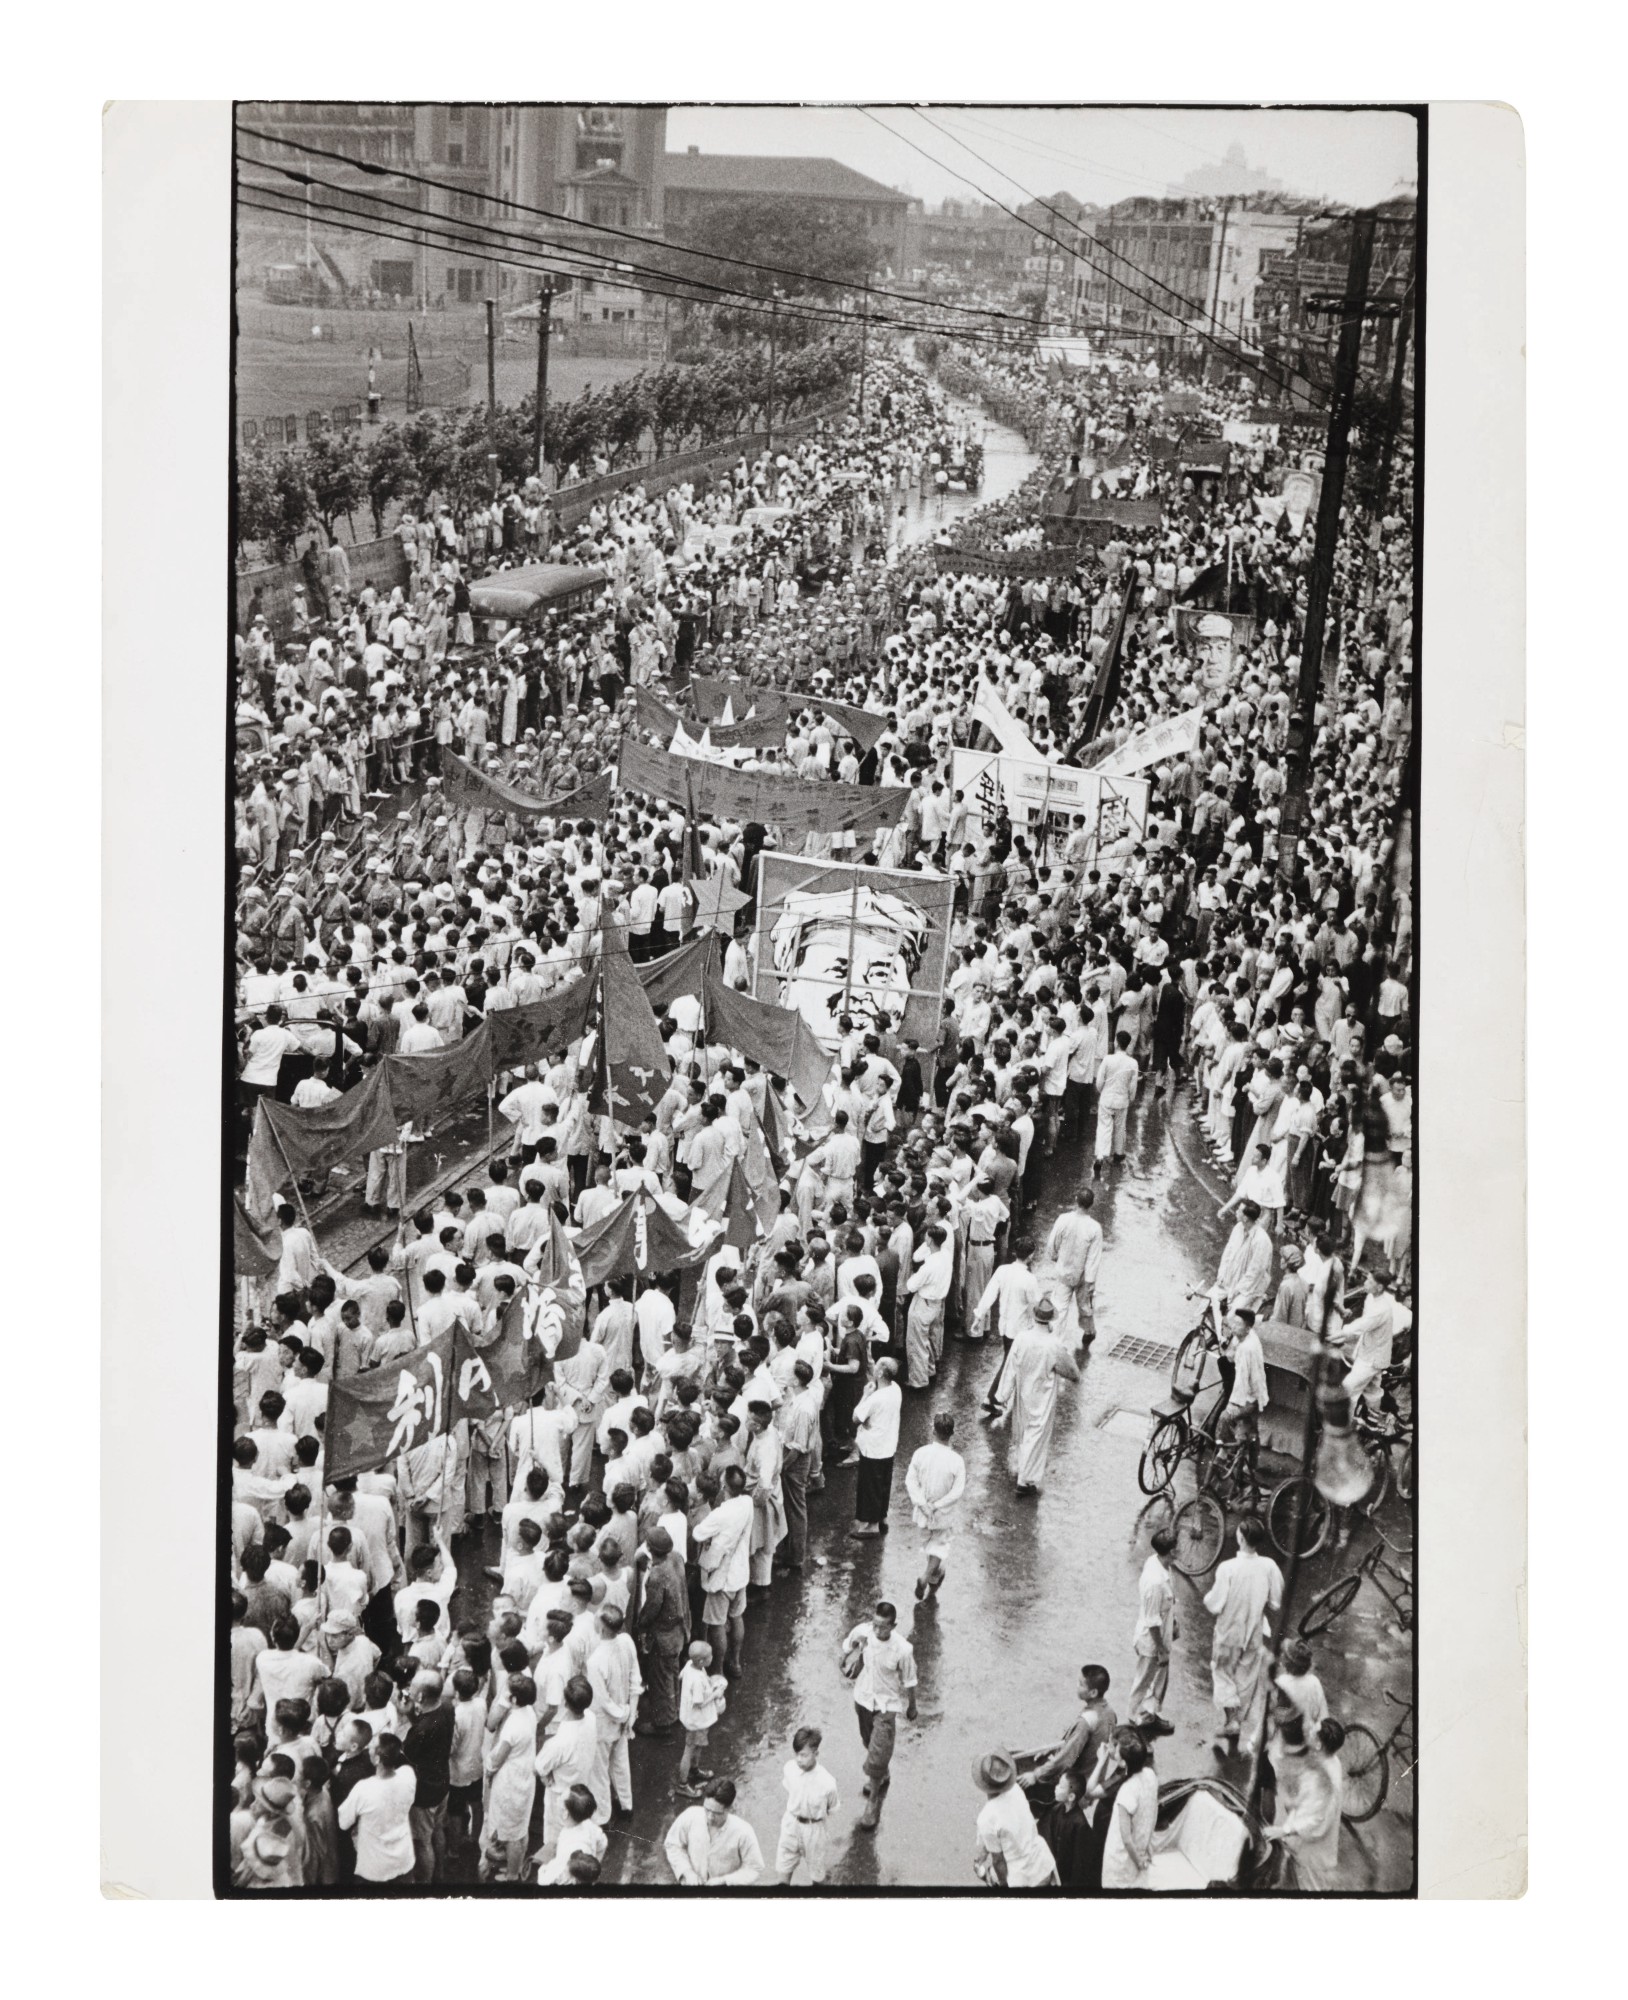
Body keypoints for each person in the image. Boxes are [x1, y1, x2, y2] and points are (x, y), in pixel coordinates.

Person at [1203, 1514, 1285, 1760]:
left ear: (1241, 1537)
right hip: (1254, 1633)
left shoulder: (1228, 1568)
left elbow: (1215, 1603)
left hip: (1229, 1633)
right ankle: (1237, 1719)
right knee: (1246, 1677)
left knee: (1223, 1673)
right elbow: (1276, 1601)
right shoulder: (1269, 1566)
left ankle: (1231, 1720)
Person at [991, 1296, 1082, 1495]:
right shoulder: (1053, 1344)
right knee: (1037, 1436)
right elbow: (1071, 1371)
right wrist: (1076, 1377)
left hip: (1023, 1393)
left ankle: (1024, 1472)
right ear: (1050, 1320)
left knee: (1024, 1434)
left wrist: (1002, 1395)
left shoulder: (1022, 1339)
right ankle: (1025, 1480)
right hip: (1043, 1395)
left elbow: (1010, 1368)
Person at [840, 1598, 918, 1831]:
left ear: (893, 1626)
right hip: (863, 1699)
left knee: (877, 1752)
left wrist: (912, 1705)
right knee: (868, 1741)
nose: (877, 1630)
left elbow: (910, 1680)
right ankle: (881, 1774)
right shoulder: (864, 1633)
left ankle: (873, 1802)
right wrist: (846, 1657)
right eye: (875, 1624)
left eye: (882, 1626)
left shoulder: (903, 1649)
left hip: (886, 1706)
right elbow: (849, 1644)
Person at [1264, 1713, 1346, 1888]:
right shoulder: (1331, 1761)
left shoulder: (1324, 1782)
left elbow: (1314, 1822)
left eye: (1314, 1733)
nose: (1310, 1733)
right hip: (1310, 1849)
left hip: (1312, 1857)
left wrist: (1282, 1830)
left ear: (1319, 1744)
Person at [335, 1730, 417, 1890]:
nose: (367, 1749)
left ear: (377, 1759)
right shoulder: (408, 1775)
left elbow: (343, 1822)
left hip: (374, 1866)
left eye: (371, 1747)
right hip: (403, 1859)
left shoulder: (364, 1788)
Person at [903, 1410, 967, 1602]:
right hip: (943, 1513)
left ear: (933, 1431)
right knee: (940, 1544)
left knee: (928, 1543)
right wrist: (937, 1505)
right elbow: (957, 1491)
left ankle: (933, 1574)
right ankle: (927, 1576)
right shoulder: (956, 1461)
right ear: (952, 1434)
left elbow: (910, 1481)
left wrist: (923, 1504)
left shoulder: (921, 1454)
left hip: (923, 1512)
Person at [971, 1751, 1059, 1887]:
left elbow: (999, 1862)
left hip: (1021, 1877)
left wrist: (1003, 1884)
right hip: (1042, 1865)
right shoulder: (1016, 1789)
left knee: (988, 1875)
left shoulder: (986, 1817)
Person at [663, 1777, 766, 1885]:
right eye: (707, 1809)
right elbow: (672, 1844)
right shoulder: (690, 1816)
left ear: (729, 1808)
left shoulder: (743, 1832)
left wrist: (725, 1881)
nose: (710, 1817)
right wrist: (687, 1872)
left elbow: (755, 1868)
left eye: (716, 1813)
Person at [776, 1725, 842, 1885]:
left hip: (814, 1830)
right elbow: (790, 1789)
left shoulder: (828, 1782)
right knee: (784, 1865)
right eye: (797, 1754)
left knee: (817, 1871)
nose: (799, 1759)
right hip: (791, 1824)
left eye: (804, 1755)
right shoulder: (789, 1769)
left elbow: (832, 1809)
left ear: (816, 1754)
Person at [1128, 1529, 1179, 1734]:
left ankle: (1151, 1715)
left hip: (1163, 1631)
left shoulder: (1161, 1564)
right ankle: (1134, 1725)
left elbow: (1168, 1602)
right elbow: (1152, 1621)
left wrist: (1174, 1623)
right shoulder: (1154, 1581)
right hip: (1151, 1641)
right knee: (1143, 1683)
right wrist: (1161, 1650)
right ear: (1172, 1551)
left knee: (1159, 1679)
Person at [1098, 1726, 1159, 1889]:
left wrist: (1139, 1862)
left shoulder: (1126, 1790)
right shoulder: (1150, 1775)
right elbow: (1154, 1811)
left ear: (1123, 1762)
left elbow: (1125, 1838)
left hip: (1122, 1860)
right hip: (1141, 1846)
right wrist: (1148, 1847)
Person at [848, 1358, 902, 1538]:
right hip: (888, 1444)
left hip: (873, 1448)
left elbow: (856, 1417)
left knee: (870, 1486)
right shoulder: (895, 1389)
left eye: (876, 1365)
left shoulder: (876, 1398)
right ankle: (881, 1517)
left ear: (880, 1373)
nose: (873, 1366)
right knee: (883, 1483)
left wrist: (865, 1394)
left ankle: (872, 1526)